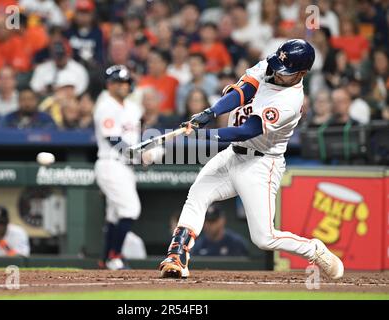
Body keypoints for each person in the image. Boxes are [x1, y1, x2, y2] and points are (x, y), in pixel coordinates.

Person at [159, 39, 344, 280]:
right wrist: (209, 113)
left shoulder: (290, 101)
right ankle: (177, 255)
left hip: (261, 164)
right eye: (278, 65)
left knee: (264, 238)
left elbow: (247, 130)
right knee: (197, 194)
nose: (277, 73)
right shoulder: (271, 64)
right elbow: (242, 91)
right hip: (234, 154)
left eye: (285, 71)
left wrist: (201, 135)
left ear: (302, 73)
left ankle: (313, 249)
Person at [94, 65, 158, 270]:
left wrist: (149, 154)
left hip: (126, 167)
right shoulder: (105, 106)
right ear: (109, 85)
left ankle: (105, 258)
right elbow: (113, 138)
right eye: (117, 82)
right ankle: (115, 257)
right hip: (110, 163)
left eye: (125, 82)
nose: (122, 86)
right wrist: (139, 156)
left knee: (114, 215)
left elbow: (139, 137)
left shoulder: (133, 109)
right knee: (130, 209)